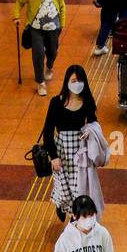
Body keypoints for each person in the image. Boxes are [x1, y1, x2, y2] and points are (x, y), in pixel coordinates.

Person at [42, 65, 102, 221]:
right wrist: (53, 156)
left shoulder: (88, 101)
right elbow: (47, 132)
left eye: (80, 81)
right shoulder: (56, 103)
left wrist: (90, 130)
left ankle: (74, 218)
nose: (77, 84)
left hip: (79, 152)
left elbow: (93, 122)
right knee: (63, 186)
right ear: (67, 82)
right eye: (74, 80)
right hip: (62, 150)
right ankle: (61, 205)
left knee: (79, 188)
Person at [13, 0, 66, 96]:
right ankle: (40, 82)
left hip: (54, 28)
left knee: (52, 52)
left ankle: (49, 66)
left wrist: (62, 24)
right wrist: (16, 17)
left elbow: (62, 6)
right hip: (36, 29)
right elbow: (19, 2)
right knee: (38, 54)